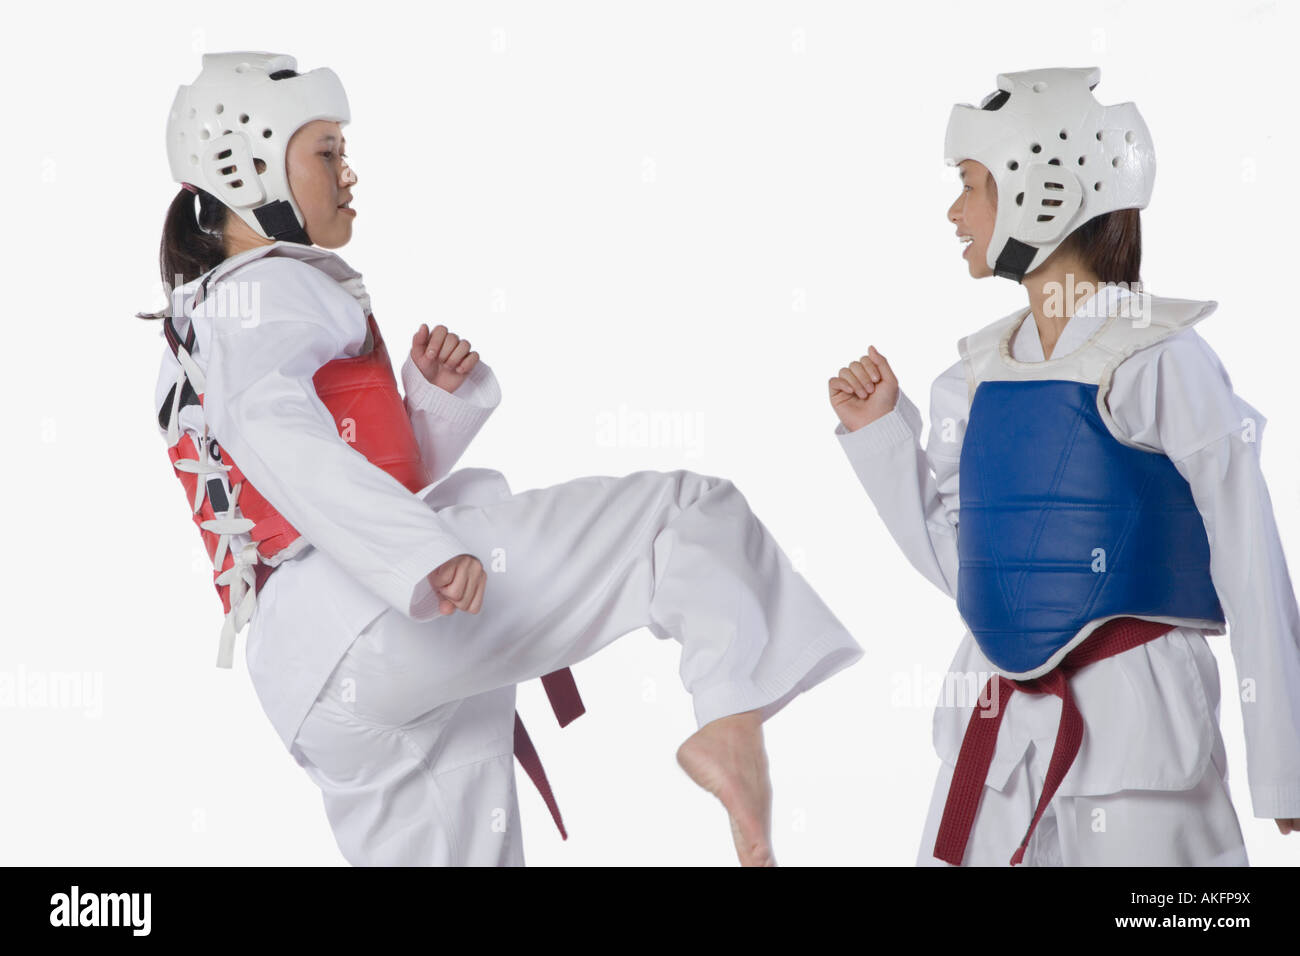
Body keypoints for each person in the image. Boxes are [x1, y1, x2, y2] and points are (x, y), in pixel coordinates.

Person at [143, 51, 863, 866]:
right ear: (248, 165)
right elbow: (274, 435)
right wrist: (422, 552)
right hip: (365, 616)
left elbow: (300, 475)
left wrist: (424, 404)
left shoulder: (205, 318)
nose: (348, 172)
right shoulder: (269, 285)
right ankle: (733, 715)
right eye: (326, 152)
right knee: (682, 516)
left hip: (315, 683)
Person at [828, 67, 1300, 865]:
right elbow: (970, 571)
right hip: (997, 747)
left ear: (1042, 188)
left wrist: (1284, 766)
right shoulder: (974, 378)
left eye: (969, 185)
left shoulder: (1162, 362)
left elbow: (1251, 561)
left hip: (1141, 744)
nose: (954, 213)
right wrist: (883, 436)